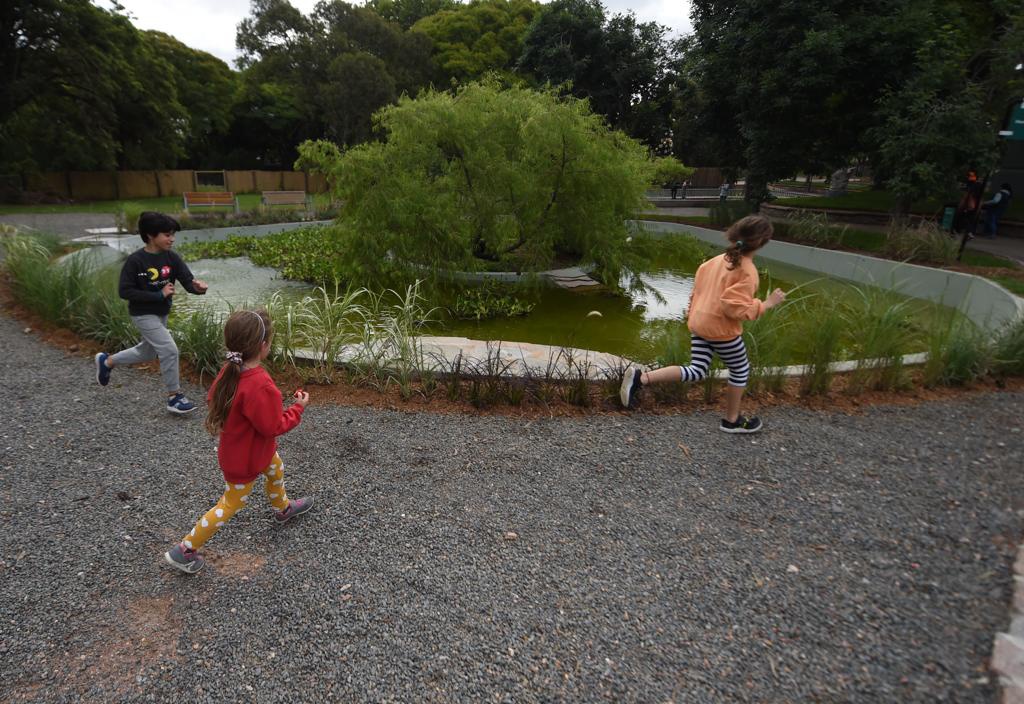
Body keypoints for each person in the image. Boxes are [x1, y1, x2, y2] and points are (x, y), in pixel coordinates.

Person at [164, 309, 313, 574]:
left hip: (247, 450)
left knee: (275, 467)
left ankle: (283, 508)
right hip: (245, 460)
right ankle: (184, 549)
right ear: (263, 346)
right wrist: (297, 408)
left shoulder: (229, 370)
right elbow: (273, 426)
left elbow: (213, 399)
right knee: (230, 504)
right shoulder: (261, 385)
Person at [619, 215, 786, 434]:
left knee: (697, 369)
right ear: (763, 242)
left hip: (700, 323)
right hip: (720, 330)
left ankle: (642, 379)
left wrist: (694, 314)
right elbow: (733, 307)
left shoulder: (716, 261)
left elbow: (696, 291)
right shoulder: (747, 270)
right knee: (740, 369)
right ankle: (731, 420)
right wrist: (766, 304)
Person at [93, 211, 208, 414]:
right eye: (167, 234)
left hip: (161, 313)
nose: (171, 239)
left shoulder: (172, 258)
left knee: (147, 351)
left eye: (173, 234)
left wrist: (198, 288)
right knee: (170, 350)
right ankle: (174, 397)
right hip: (142, 313)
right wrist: (158, 294)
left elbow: (187, 281)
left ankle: (108, 361)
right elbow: (125, 291)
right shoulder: (136, 261)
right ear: (150, 235)